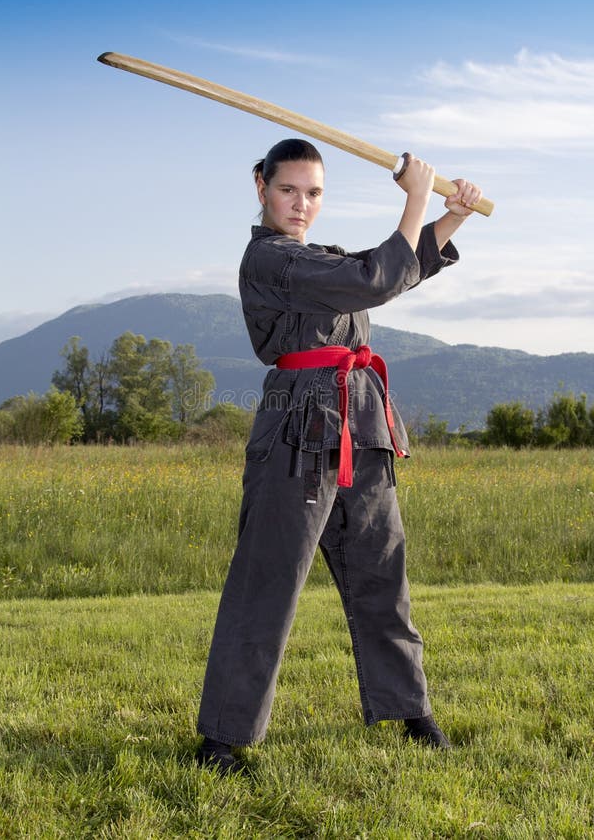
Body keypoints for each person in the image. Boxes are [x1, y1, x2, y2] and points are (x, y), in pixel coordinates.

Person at [196, 138, 482, 774]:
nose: (301, 204)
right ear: (261, 186)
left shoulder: (316, 258)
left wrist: (450, 215)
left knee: (382, 569)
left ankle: (406, 707)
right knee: (269, 579)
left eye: (314, 192)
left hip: (362, 413)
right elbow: (373, 279)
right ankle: (223, 737)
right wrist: (413, 200)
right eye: (288, 190)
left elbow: (391, 266)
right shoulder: (269, 259)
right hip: (298, 422)